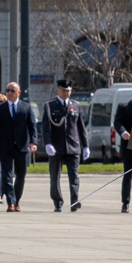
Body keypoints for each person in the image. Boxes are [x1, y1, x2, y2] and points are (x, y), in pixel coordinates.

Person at [0, 82, 34, 212]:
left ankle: (17, 200)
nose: (9, 93)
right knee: (7, 175)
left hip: (21, 147)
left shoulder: (26, 107)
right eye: (7, 90)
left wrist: (33, 142)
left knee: (21, 175)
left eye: (12, 91)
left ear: (19, 92)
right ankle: (11, 202)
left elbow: (32, 127)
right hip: (4, 147)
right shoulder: (0, 109)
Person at [41, 78, 86, 213]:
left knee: (74, 176)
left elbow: (81, 127)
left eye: (68, 90)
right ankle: (57, 202)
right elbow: (46, 127)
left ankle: (74, 201)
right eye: (63, 90)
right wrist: (48, 143)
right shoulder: (50, 106)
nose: (65, 93)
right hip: (56, 147)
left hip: (73, 146)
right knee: (55, 177)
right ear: (58, 90)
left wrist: (86, 145)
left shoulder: (76, 105)